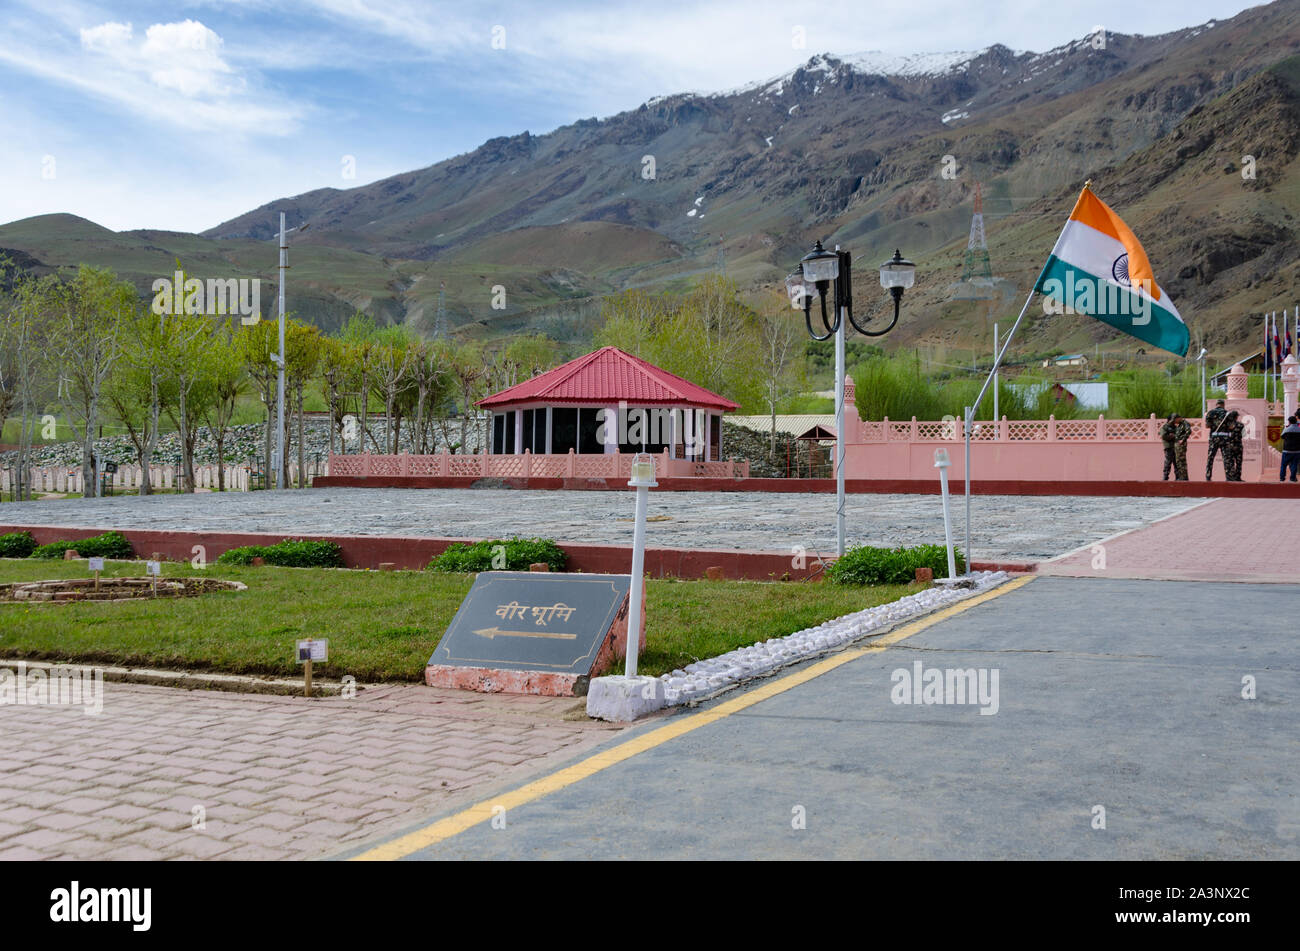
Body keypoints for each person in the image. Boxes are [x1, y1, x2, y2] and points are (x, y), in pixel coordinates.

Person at [1159, 413, 1191, 481]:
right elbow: (1164, 436)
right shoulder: (1165, 427)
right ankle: (1165, 477)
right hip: (1169, 447)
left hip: (1176, 447)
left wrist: (1174, 435)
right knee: (1168, 463)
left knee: (1177, 463)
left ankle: (1178, 477)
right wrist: (1173, 436)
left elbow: (1179, 434)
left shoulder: (1176, 427)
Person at [1205, 399, 1229, 480]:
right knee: (1226, 458)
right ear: (1223, 405)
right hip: (1224, 438)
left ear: (1216, 405)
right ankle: (1228, 477)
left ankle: (1208, 477)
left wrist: (1214, 424)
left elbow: (1207, 426)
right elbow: (1231, 426)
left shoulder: (1210, 413)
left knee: (1210, 458)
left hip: (1214, 438)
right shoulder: (1227, 413)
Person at [1223, 410, 1245, 482]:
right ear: (1236, 417)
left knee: (1230, 462)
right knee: (1239, 462)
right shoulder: (1241, 425)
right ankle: (1238, 478)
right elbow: (1244, 435)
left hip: (1229, 446)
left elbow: (1224, 436)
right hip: (1238, 446)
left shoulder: (1227, 425)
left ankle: (1231, 478)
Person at [1281, 415, 1300, 483]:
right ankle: (1292, 478)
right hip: (1297, 451)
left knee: (1284, 465)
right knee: (1294, 464)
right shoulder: (1299, 429)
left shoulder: (1286, 429)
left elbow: (1282, 436)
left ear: (1289, 422)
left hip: (1287, 450)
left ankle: (1282, 478)